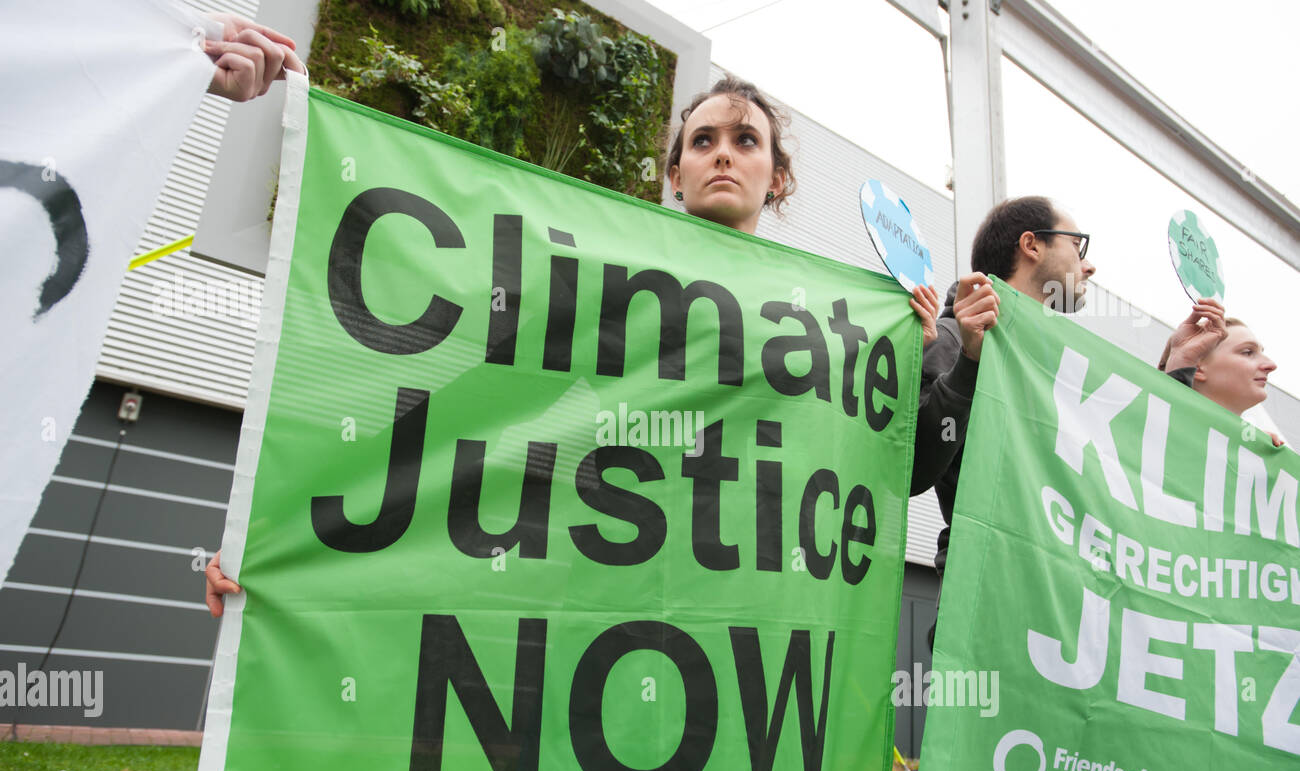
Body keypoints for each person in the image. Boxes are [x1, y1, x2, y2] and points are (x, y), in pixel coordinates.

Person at [207, 74, 992, 615]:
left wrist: (927, 360)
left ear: (777, 179)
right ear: (674, 173)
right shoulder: (607, 281)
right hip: (607, 589)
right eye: (704, 139)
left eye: (746, 140)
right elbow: (452, 406)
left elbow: (910, 472)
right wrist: (276, 534)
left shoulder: (844, 320)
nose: (723, 151)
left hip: (749, 618)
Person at [910, 195, 1133, 771]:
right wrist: (969, 362)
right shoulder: (954, 338)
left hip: (1081, 629)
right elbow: (914, 465)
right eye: (1078, 244)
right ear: (1032, 245)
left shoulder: (1074, 369)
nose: (1089, 267)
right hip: (998, 620)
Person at [1159, 306, 1284, 445]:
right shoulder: (1153, 429)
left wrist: (1245, 449)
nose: (1271, 365)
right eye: (1248, 352)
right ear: (1198, 368)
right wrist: (1182, 362)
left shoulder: (1255, 453)